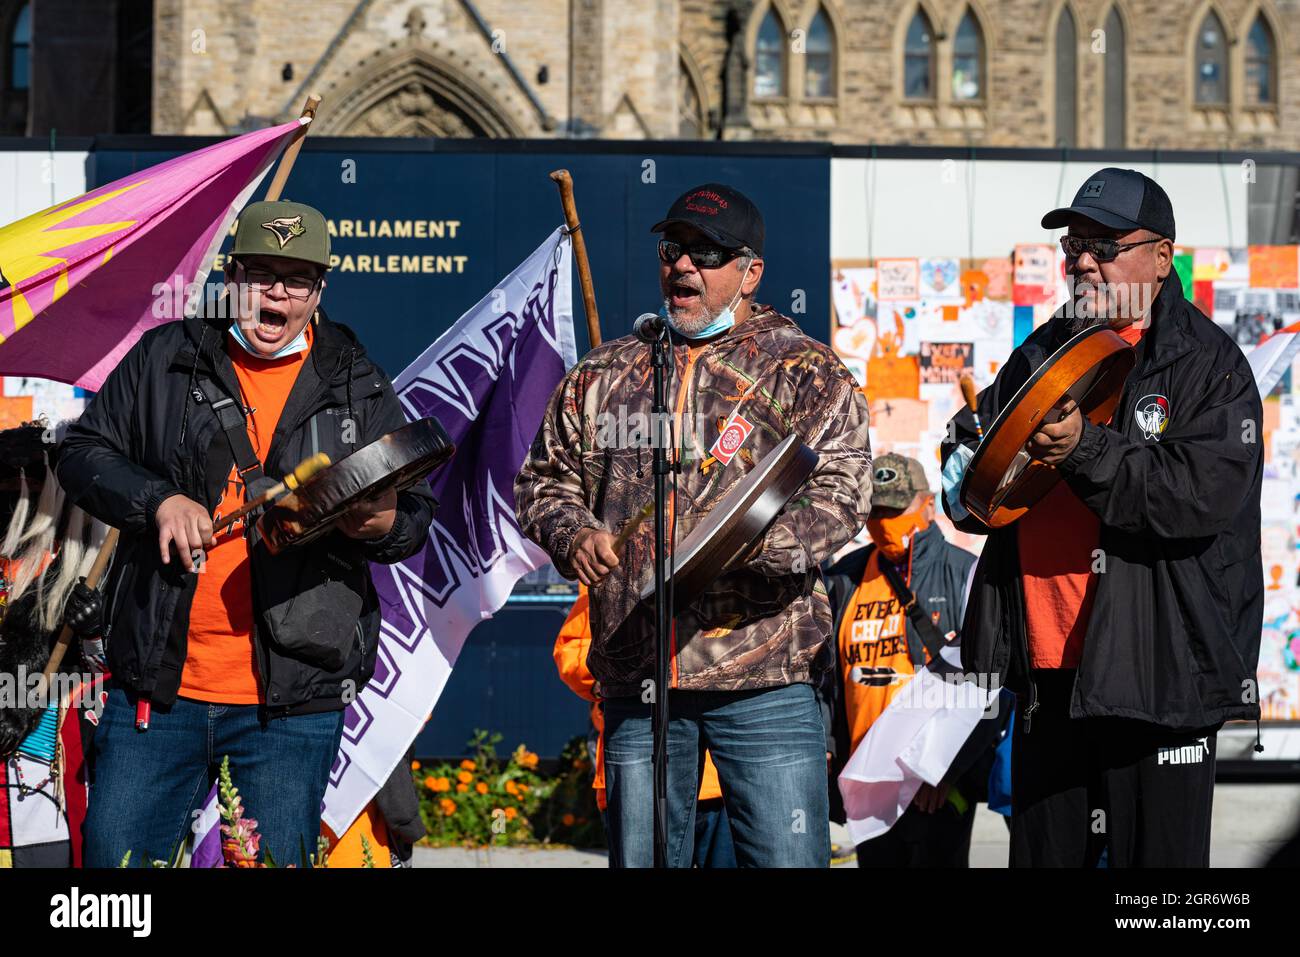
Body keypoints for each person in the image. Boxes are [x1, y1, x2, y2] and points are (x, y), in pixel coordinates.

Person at [57, 200, 435, 867]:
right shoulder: (166, 358)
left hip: (293, 705)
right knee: (114, 883)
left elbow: (413, 518)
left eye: (296, 279)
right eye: (261, 273)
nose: (277, 293)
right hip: (156, 691)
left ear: (319, 291)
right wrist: (159, 500)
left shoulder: (356, 380)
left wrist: (381, 523)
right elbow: (82, 452)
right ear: (231, 276)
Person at [516, 183, 872, 867]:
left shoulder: (805, 370)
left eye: (707, 252)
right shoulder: (608, 372)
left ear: (750, 272)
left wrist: (741, 547)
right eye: (674, 248)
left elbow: (842, 496)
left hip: (764, 673)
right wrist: (573, 532)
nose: (684, 265)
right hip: (638, 676)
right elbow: (542, 481)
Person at [941, 168, 1264, 867]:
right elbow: (981, 455)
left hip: (1159, 680)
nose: (1083, 259)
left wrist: (1085, 448)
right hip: (1050, 677)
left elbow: (1192, 497)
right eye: (1074, 242)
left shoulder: (1209, 365)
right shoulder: (1040, 349)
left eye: (1106, 243)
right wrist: (960, 466)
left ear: (1161, 255)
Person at [825, 453, 999, 867]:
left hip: (936, 789)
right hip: (869, 780)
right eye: (876, 511)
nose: (884, 523)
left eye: (895, 510)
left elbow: (989, 683)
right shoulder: (845, 577)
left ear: (927, 503)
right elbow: (826, 676)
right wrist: (829, 748)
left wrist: (947, 769)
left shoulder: (965, 573)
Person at [553, 585, 736, 867]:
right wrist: (617, 675)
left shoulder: (724, 572)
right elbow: (572, 652)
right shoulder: (615, 575)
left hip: (721, 781)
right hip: (642, 776)